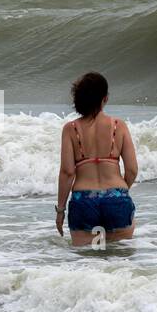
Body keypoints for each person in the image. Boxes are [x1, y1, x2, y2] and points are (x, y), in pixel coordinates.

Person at [55, 72, 138, 245]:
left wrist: (61, 210)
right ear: (105, 98)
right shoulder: (119, 126)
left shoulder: (70, 129)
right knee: (120, 261)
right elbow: (131, 170)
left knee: (86, 261)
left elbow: (67, 172)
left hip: (83, 201)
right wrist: (119, 192)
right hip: (117, 197)